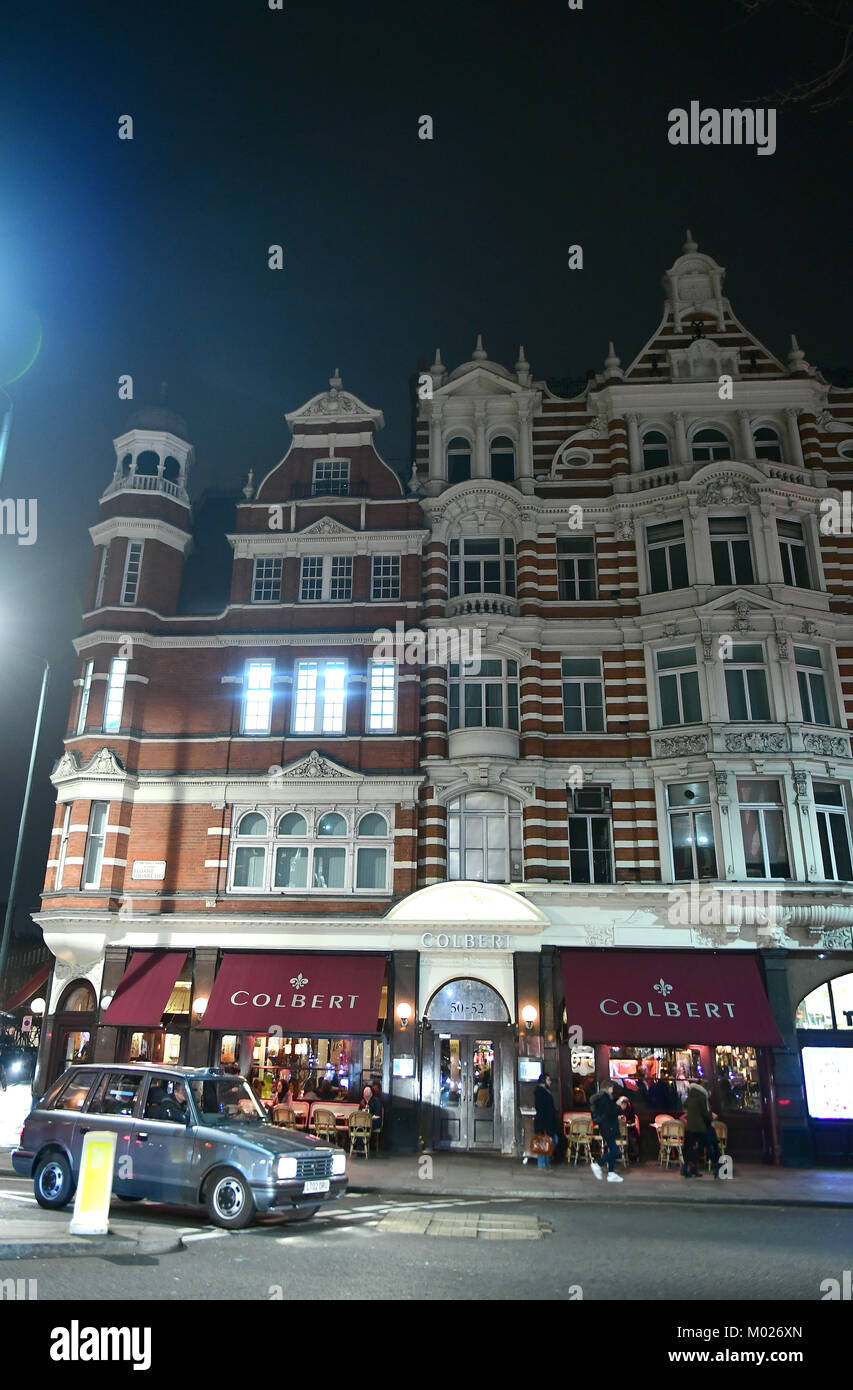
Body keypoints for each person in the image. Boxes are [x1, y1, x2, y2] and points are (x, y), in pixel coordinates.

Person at [589, 1082, 624, 1183]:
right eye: (612, 1088)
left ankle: (611, 1173)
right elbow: (611, 1112)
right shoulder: (605, 1098)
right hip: (609, 1126)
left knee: (613, 1149)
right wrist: (617, 1105)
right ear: (609, 1088)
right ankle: (597, 1164)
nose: (613, 1090)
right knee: (614, 1150)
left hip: (605, 1126)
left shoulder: (600, 1098)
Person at [682, 1080, 713, 1177]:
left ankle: (691, 1168)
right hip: (699, 1126)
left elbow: (685, 1105)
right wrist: (710, 1118)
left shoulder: (691, 1097)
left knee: (692, 1147)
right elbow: (705, 1113)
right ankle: (688, 1168)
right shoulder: (702, 1097)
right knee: (702, 1146)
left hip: (690, 1126)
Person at [532, 1074, 560, 1170]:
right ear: (544, 1081)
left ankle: (544, 1162)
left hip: (545, 1121)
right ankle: (543, 1163)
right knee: (545, 1141)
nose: (550, 1082)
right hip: (544, 1121)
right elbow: (542, 1108)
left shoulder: (542, 1092)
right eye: (548, 1080)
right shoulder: (541, 1093)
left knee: (546, 1141)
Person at [616, 1093, 641, 1163]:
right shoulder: (616, 1110)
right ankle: (617, 1154)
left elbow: (632, 1121)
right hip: (617, 1131)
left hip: (629, 1130)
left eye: (625, 1104)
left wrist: (628, 1122)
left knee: (629, 1137)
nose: (624, 1105)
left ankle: (636, 1155)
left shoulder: (629, 1110)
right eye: (622, 1104)